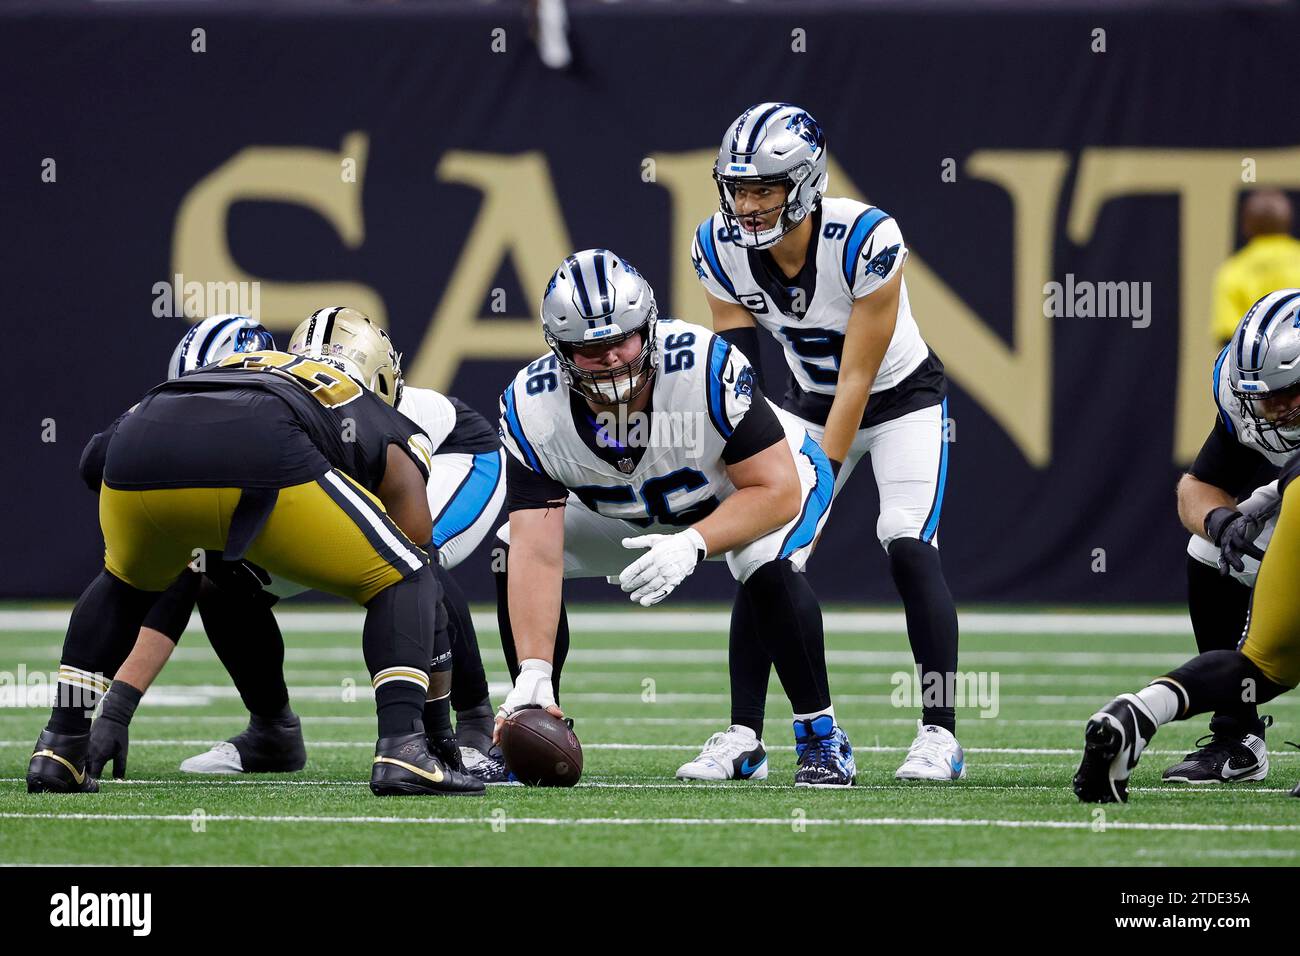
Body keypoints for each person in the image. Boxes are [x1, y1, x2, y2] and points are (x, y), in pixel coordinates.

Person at [28, 309, 482, 797]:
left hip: (137, 443)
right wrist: (437, 729)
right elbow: (420, 566)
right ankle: (403, 748)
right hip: (263, 446)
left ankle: (61, 745)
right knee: (406, 577)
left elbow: (93, 461)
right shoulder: (381, 415)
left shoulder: (232, 371)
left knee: (123, 585)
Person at [491, 248, 855, 786]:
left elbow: (776, 492)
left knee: (761, 560)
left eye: (622, 340)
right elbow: (537, 550)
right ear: (560, 350)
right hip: (637, 510)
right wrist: (533, 669)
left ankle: (822, 738)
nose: (611, 358)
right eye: (590, 349)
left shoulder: (701, 367)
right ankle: (536, 712)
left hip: (764, 483)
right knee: (509, 548)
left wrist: (693, 543)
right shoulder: (532, 407)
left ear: (649, 327)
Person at [687, 102, 962, 781]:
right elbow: (740, 375)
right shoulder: (719, 248)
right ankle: (744, 737)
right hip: (807, 401)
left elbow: (859, 378)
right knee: (762, 553)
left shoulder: (866, 238)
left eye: (764, 189)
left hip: (901, 398)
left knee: (906, 539)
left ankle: (939, 735)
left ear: (807, 183)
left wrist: (815, 476)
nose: (747, 205)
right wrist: (749, 474)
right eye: (737, 188)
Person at [1074, 290, 1300, 803]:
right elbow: (1198, 487)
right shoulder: (1249, 405)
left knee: (1272, 660)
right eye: (1263, 396)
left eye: (1287, 394)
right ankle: (1236, 734)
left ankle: (1140, 711)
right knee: (1211, 557)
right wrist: (1222, 522)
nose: (1272, 410)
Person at [1212, 191, 1300, 347]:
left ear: (1246, 226)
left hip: (1252, 359)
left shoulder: (1233, 270)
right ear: (1289, 221)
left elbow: (1227, 335)